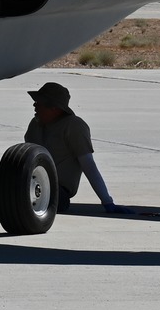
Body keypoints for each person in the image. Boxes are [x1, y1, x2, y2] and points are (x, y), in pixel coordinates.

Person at [25, 82, 127, 214]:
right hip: (28, 182)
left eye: (40, 102)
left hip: (56, 190)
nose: (35, 105)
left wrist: (107, 202)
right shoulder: (36, 124)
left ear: (55, 108)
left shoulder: (74, 126)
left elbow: (88, 165)